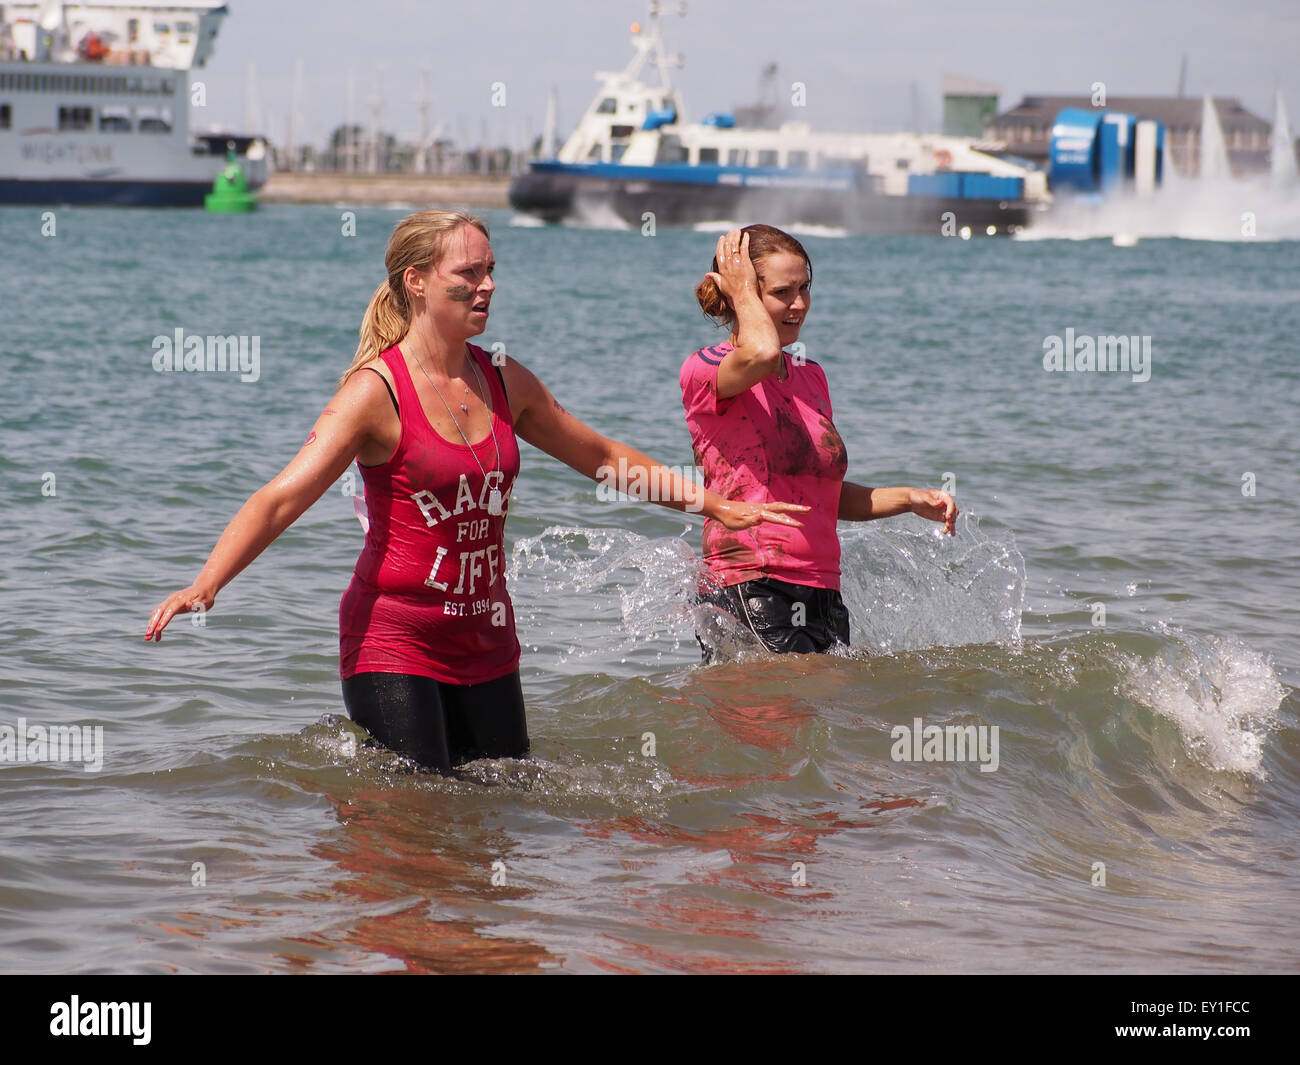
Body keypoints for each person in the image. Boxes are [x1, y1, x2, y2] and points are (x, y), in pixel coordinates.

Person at [145, 210, 806, 774]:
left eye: (491, 271)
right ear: (417, 281)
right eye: (469, 274)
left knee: (499, 811)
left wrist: (711, 502)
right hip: (395, 641)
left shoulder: (501, 379)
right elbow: (281, 497)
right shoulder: (376, 393)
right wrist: (208, 582)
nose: (487, 285)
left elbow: (601, 456)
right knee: (419, 813)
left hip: (487, 641)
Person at [682, 224, 958, 661]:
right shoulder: (707, 371)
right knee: (769, 721)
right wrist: (742, 296)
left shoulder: (811, 376)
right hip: (751, 582)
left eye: (805, 288)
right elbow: (761, 354)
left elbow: (820, 499)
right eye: (781, 292)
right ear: (743, 295)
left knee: (816, 719)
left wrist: (907, 498)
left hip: (822, 590)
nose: (799, 305)